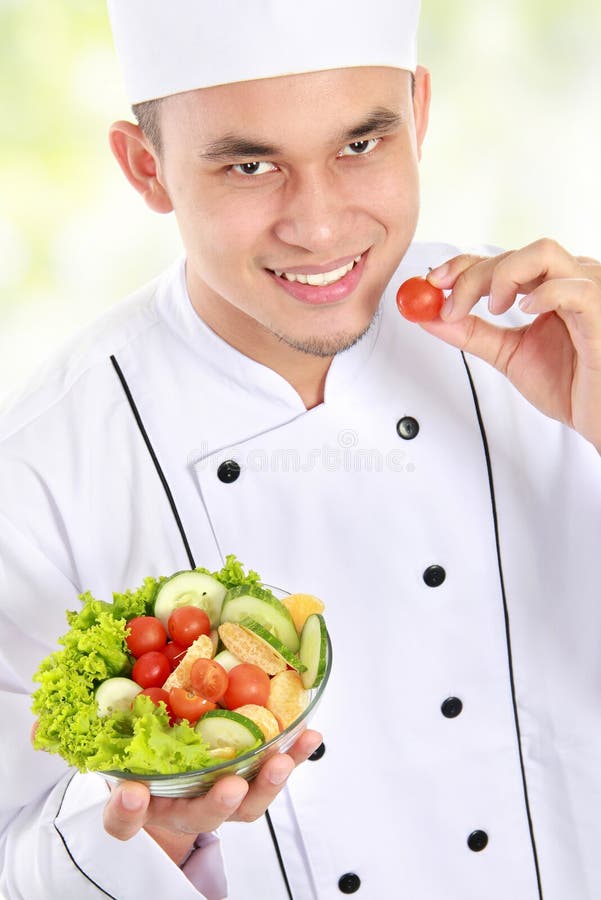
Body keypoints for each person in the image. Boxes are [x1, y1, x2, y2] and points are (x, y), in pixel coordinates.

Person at [1, 1, 600, 898]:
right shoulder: (43, 465)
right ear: (145, 167)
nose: (319, 228)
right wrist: (147, 834)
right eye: (250, 165)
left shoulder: (564, 339)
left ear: (420, 117)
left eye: (360, 146)